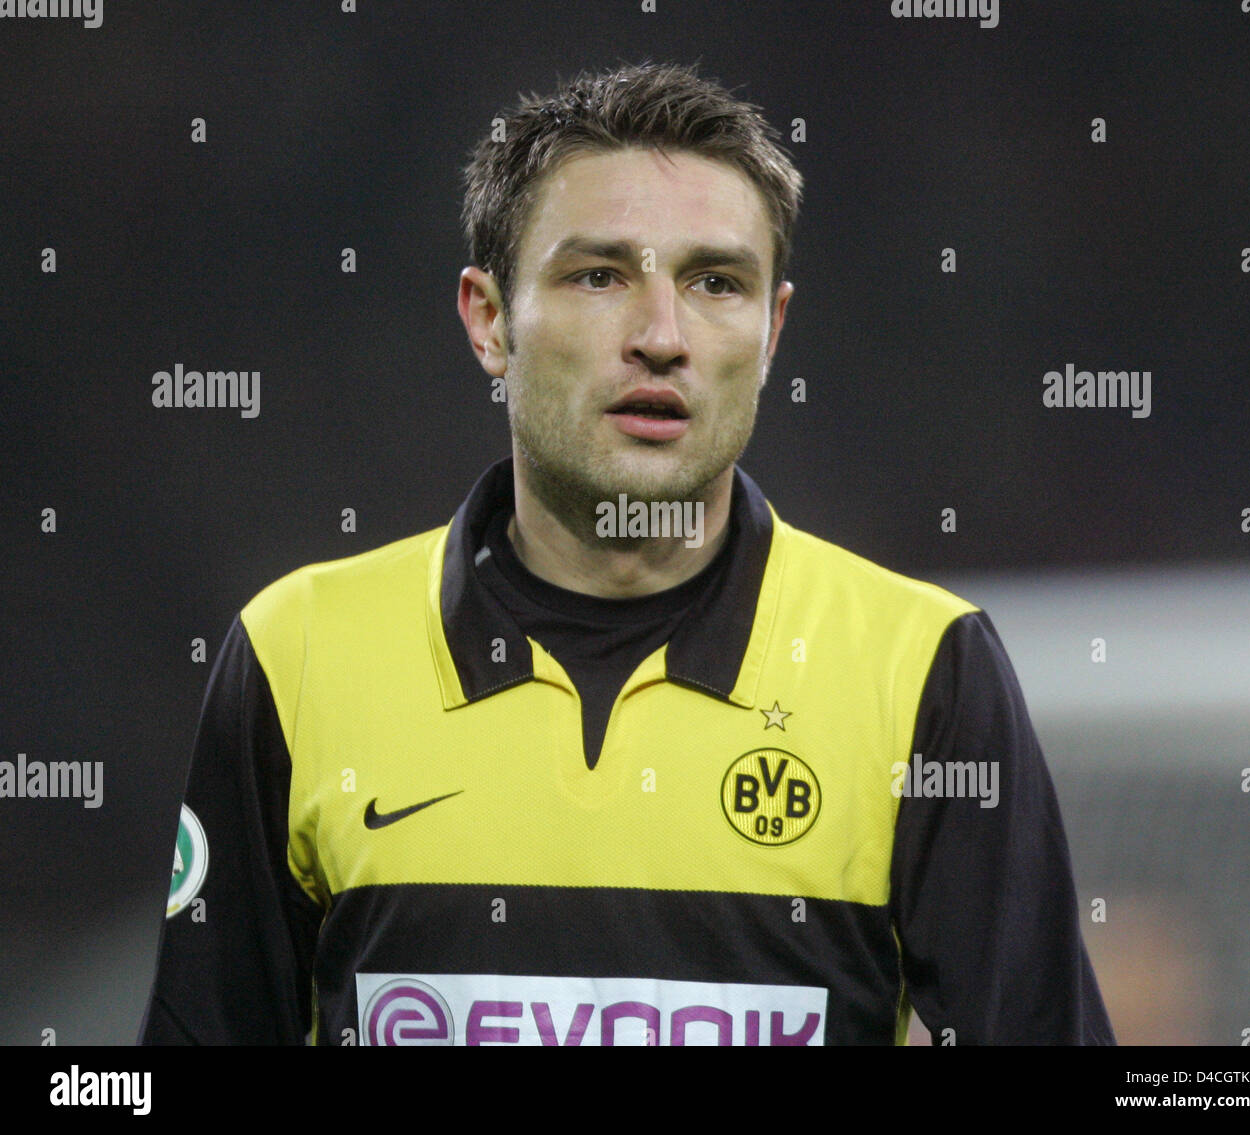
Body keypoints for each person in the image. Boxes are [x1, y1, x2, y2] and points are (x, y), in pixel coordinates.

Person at [139, 60, 1114, 1046]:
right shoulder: (299, 654)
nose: (661, 335)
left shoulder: (923, 671)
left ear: (771, 331)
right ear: (488, 322)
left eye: (716, 283)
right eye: (599, 274)